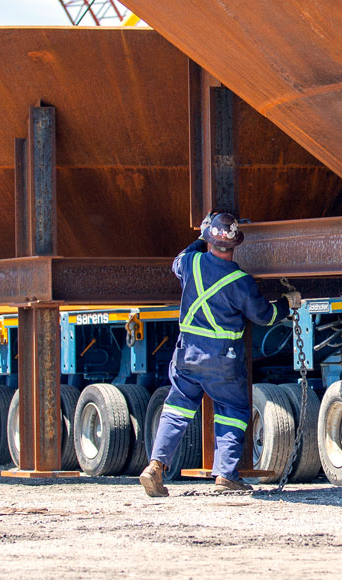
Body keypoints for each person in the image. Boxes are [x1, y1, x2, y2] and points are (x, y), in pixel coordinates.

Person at [139, 212, 301, 496]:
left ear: (210, 241)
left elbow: (178, 260)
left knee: (177, 408)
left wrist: (201, 236)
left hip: (187, 356)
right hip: (222, 362)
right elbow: (264, 315)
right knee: (233, 411)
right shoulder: (240, 280)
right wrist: (288, 304)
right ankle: (225, 474)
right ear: (235, 246)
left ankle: (155, 466)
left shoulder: (191, 262)